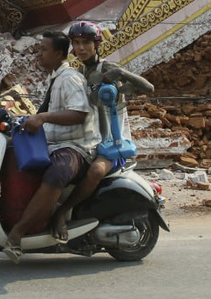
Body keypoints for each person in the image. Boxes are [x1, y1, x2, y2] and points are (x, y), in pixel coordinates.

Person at [49, 20, 155, 242]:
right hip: (87, 138)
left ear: (96, 44)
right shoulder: (75, 73)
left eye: (86, 43)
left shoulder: (106, 68)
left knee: (96, 171)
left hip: (112, 143)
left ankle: (61, 213)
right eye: (76, 43)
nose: (81, 48)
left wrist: (121, 73)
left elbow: (148, 87)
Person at [4, 30, 97, 262]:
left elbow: (78, 114)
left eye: (44, 50)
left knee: (57, 171)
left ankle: (18, 233)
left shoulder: (69, 79)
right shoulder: (55, 77)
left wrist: (43, 118)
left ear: (58, 53)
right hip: (56, 143)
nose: (39, 54)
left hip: (77, 146)